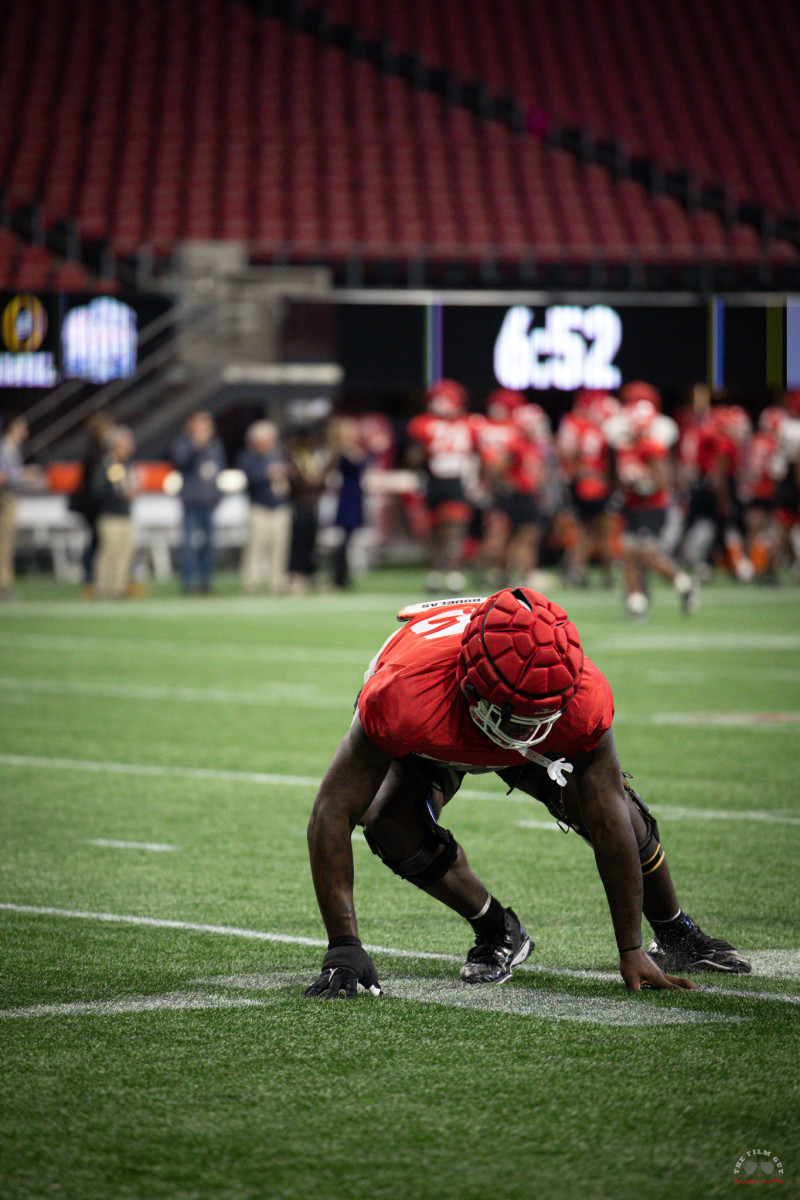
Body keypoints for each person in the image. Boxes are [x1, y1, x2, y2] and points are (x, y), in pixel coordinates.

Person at [304, 588, 749, 999]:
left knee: (620, 813)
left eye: (544, 715)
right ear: (471, 687)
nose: (531, 729)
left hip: (511, 721)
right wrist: (343, 945)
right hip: (438, 732)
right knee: (386, 819)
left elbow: (608, 813)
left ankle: (674, 932)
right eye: (518, 718)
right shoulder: (405, 693)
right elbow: (332, 810)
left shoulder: (578, 694)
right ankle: (497, 929)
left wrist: (630, 947)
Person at [407, 379, 478, 593]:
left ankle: (452, 575)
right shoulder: (425, 424)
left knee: (454, 529)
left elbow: (478, 455)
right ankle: (437, 575)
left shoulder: (469, 424)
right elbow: (413, 458)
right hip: (435, 480)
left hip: (456, 480)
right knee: (436, 531)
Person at [171, 411, 225, 594]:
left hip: (209, 501)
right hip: (191, 501)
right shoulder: (184, 443)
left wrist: (218, 495)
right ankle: (187, 584)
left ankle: (206, 582)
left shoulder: (215, 445)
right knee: (188, 544)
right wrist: (196, 446)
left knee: (209, 544)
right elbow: (181, 464)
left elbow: (218, 471)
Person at [236, 420, 291, 594]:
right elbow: (248, 477)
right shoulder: (248, 456)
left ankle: (277, 581)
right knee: (256, 547)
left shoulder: (278, 454)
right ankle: (251, 581)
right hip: (259, 507)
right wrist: (267, 473)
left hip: (279, 505)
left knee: (280, 546)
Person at [90, 425, 137, 598]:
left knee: (124, 553)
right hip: (109, 515)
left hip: (125, 514)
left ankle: (118, 588)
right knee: (108, 552)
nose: (129, 447)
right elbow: (98, 490)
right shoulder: (106, 463)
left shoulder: (127, 464)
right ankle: (102, 588)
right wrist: (117, 494)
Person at [0, 415, 29, 597]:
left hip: (10, 498)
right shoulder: (5, 447)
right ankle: (3, 585)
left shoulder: (13, 448)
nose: (25, 430)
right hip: (5, 499)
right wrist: (23, 476)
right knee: (4, 543)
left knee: (7, 544)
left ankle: (5, 584)